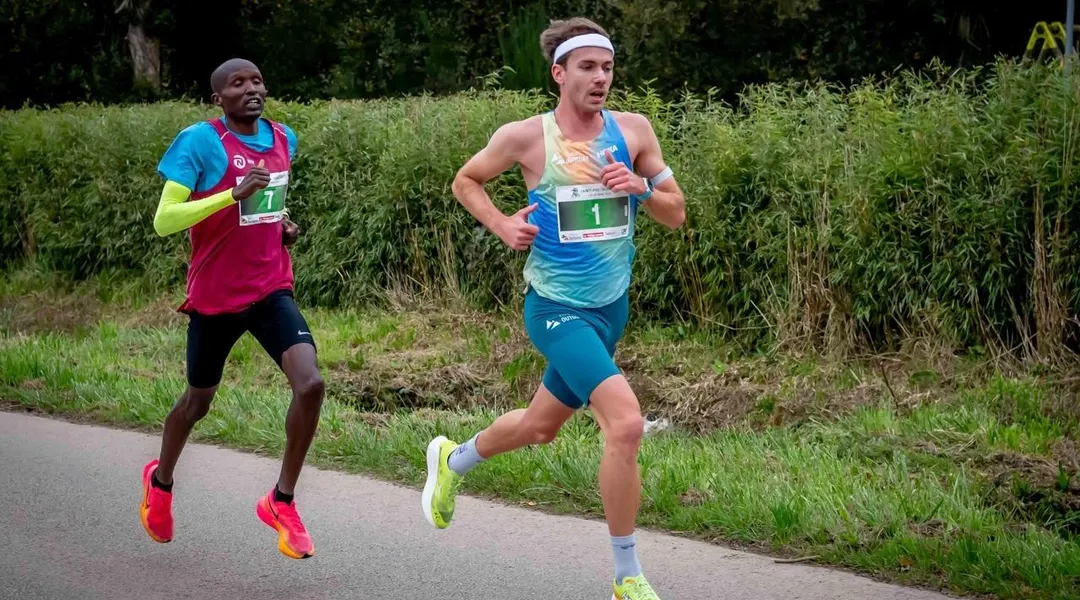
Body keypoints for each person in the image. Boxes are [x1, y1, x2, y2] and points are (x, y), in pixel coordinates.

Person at [421, 18, 685, 600]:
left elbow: (676, 212)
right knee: (625, 423)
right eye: (587, 67)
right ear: (559, 73)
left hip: (610, 311)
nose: (600, 78)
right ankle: (628, 576)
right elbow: (466, 180)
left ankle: (452, 461)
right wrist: (500, 223)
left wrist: (639, 188)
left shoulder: (634, 131)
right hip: (555, 309)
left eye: (607, 67)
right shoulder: (526, 137)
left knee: (540, 428)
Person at [140, 58, 325, 560]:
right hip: (216, 298)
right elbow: (165, 220)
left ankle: (281, 502)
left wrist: (281, 225)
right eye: (237, 83)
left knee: (310, 384)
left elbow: (267, 204)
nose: (251, 89)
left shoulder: (284, 138)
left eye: (257, 80)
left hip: (270, 288)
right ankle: (160, 482)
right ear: (217, 98)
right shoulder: (200, 142)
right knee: (196, 403)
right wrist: (229, 195)